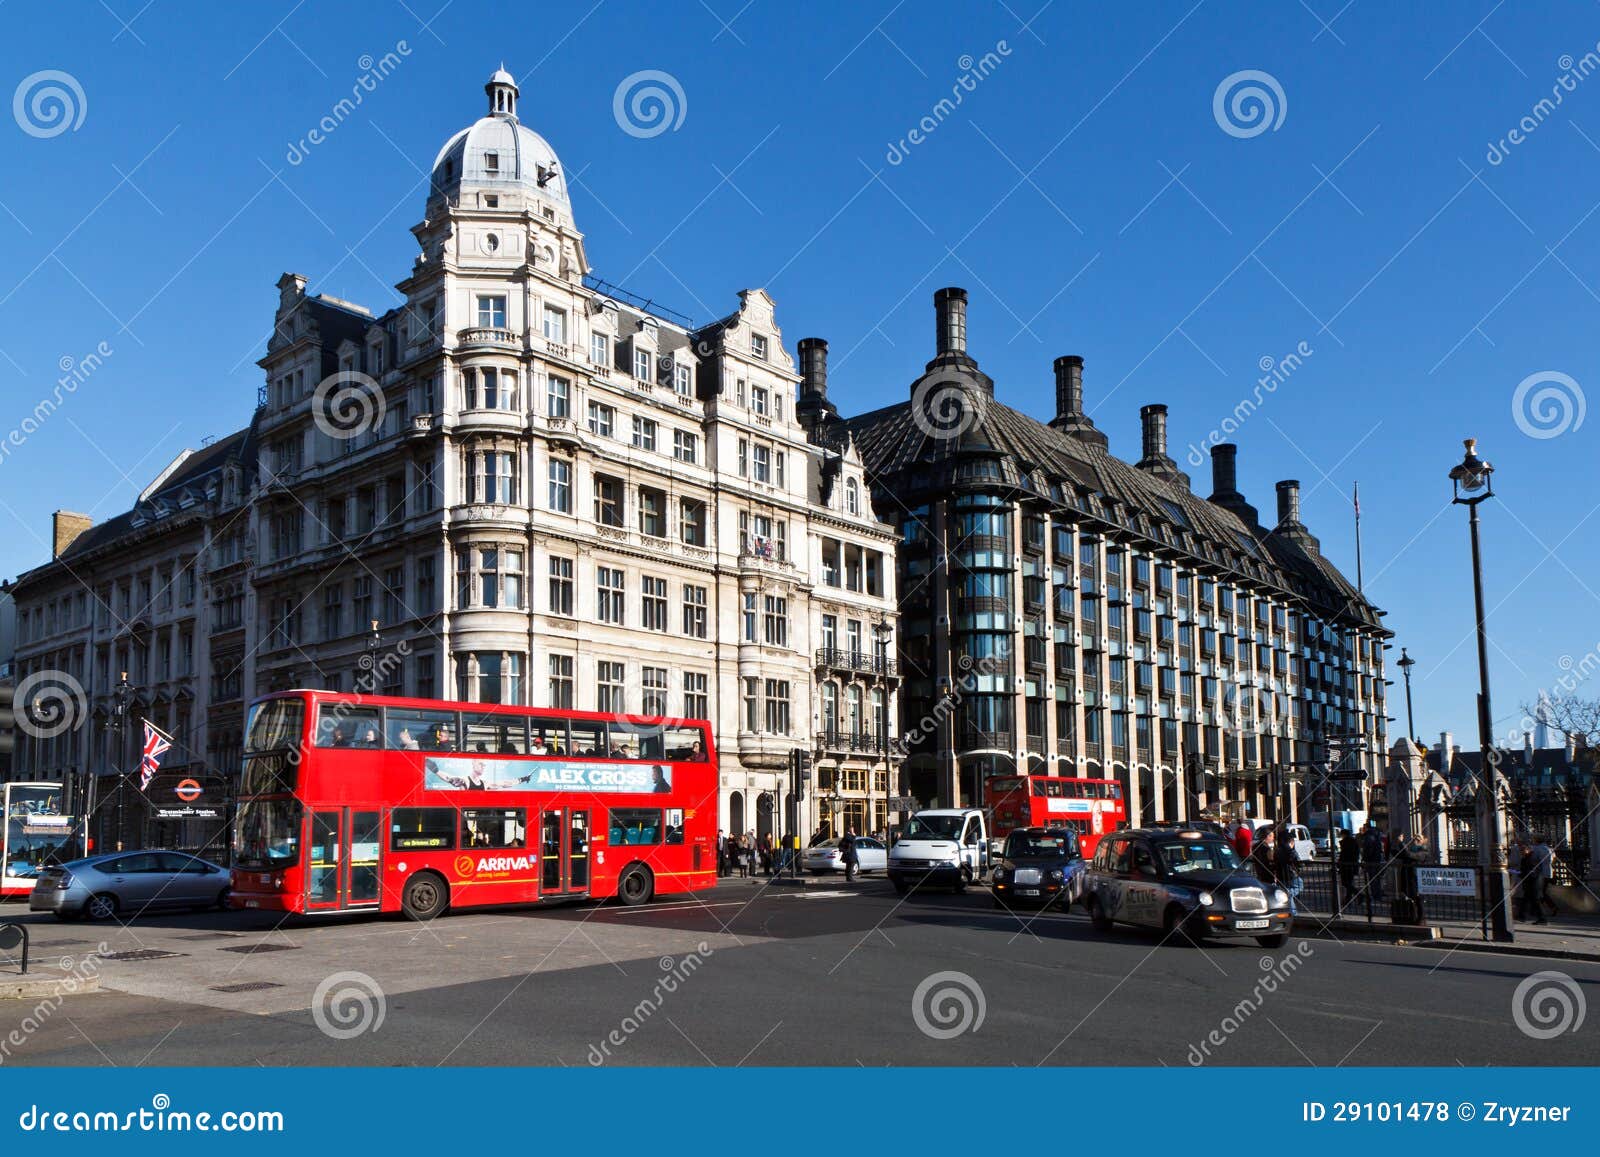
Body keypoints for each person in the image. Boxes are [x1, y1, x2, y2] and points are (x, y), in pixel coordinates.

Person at [1273, 824, 1304, 914]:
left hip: (1281, 875)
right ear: (1291, 842)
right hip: (1291, 875)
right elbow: (1299, 862)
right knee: (1299, 886)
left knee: (1289, 895)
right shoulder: (1291, 851)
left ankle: (1293, 913)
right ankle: (1287, 894)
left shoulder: (1278, 850)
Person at [1525, 836, 1553, 925]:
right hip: (1548, 872)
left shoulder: (1537, 849)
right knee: (1541, 893)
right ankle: (1539, 913)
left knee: (1537, 894)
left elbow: (1534, 860)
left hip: (1538, 874)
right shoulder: (1549, 848)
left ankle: (1542, 915)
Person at [1360, 823, 1386, 902]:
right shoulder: (1377, 835)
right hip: (1378, 859)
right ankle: (1378, 894)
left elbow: (1368, 850)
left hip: (1371, 861)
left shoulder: (1369, 836)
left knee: (1373, 879)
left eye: (1364, 828)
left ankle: (1376, 895)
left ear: (1366, 828)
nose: (1362, 829)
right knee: (1377, 878)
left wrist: (1365, 859)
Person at [1337, 830, 1361, 910]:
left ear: (1344, 835)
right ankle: (1348, 900)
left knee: (1345, 882)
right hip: (1352, 865)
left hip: (1346, 865)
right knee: (1349, 882)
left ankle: (1359, 894)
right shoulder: (1354, 842)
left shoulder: (1346, 843)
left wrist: (1339, 864)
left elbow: (1343, 855)